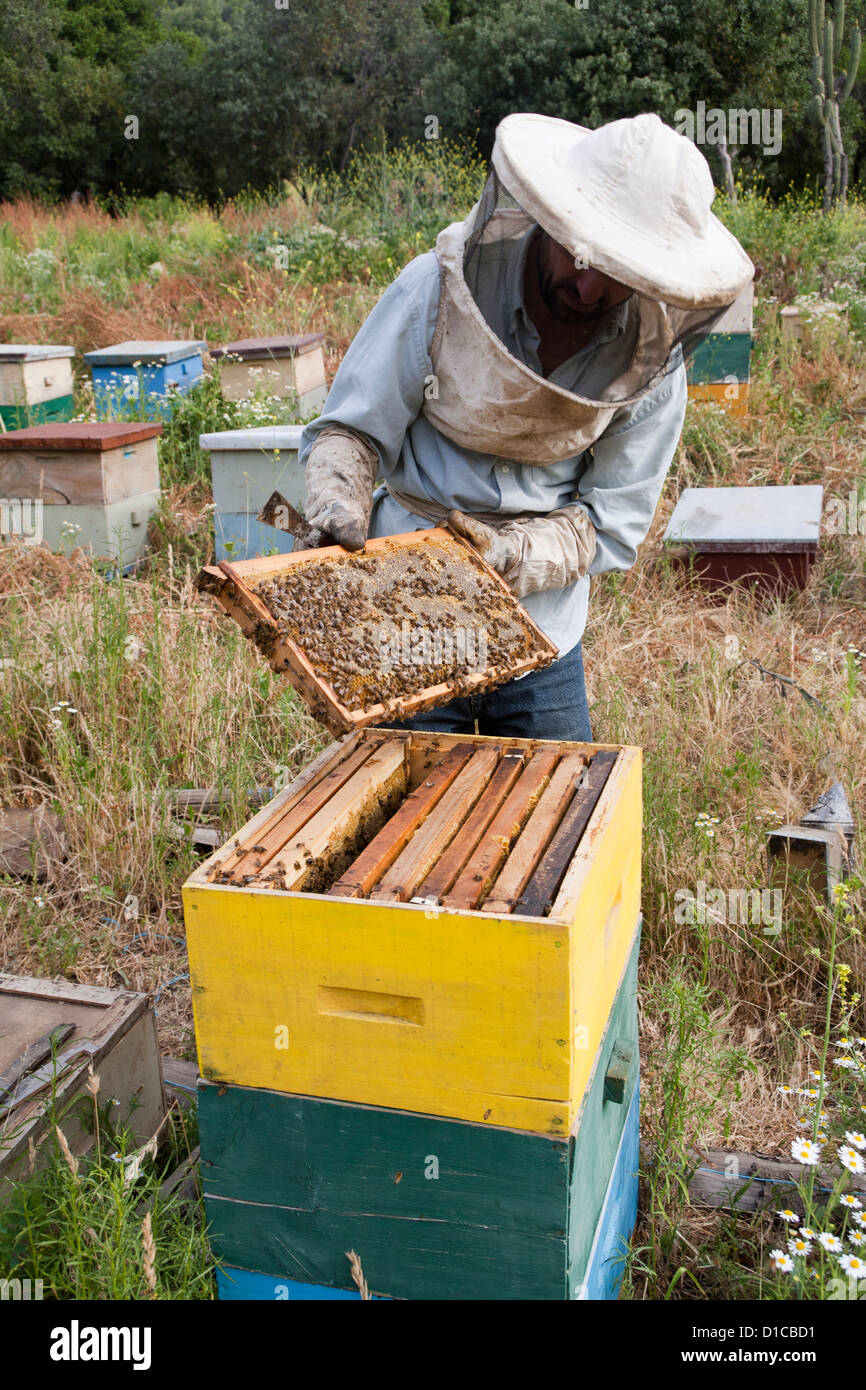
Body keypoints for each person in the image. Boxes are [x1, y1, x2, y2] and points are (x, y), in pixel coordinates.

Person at [297, 112, 754, 740]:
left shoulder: (651, 363)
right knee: (406, 822)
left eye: (620, 273)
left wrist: (511, 555)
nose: (590, 288)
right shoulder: (434, 291)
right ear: (546, 214)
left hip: (543, 632)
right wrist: (336, 499)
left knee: (555, 824)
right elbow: (352, 432)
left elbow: (612, 524)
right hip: (405, 616)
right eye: (579, 253)